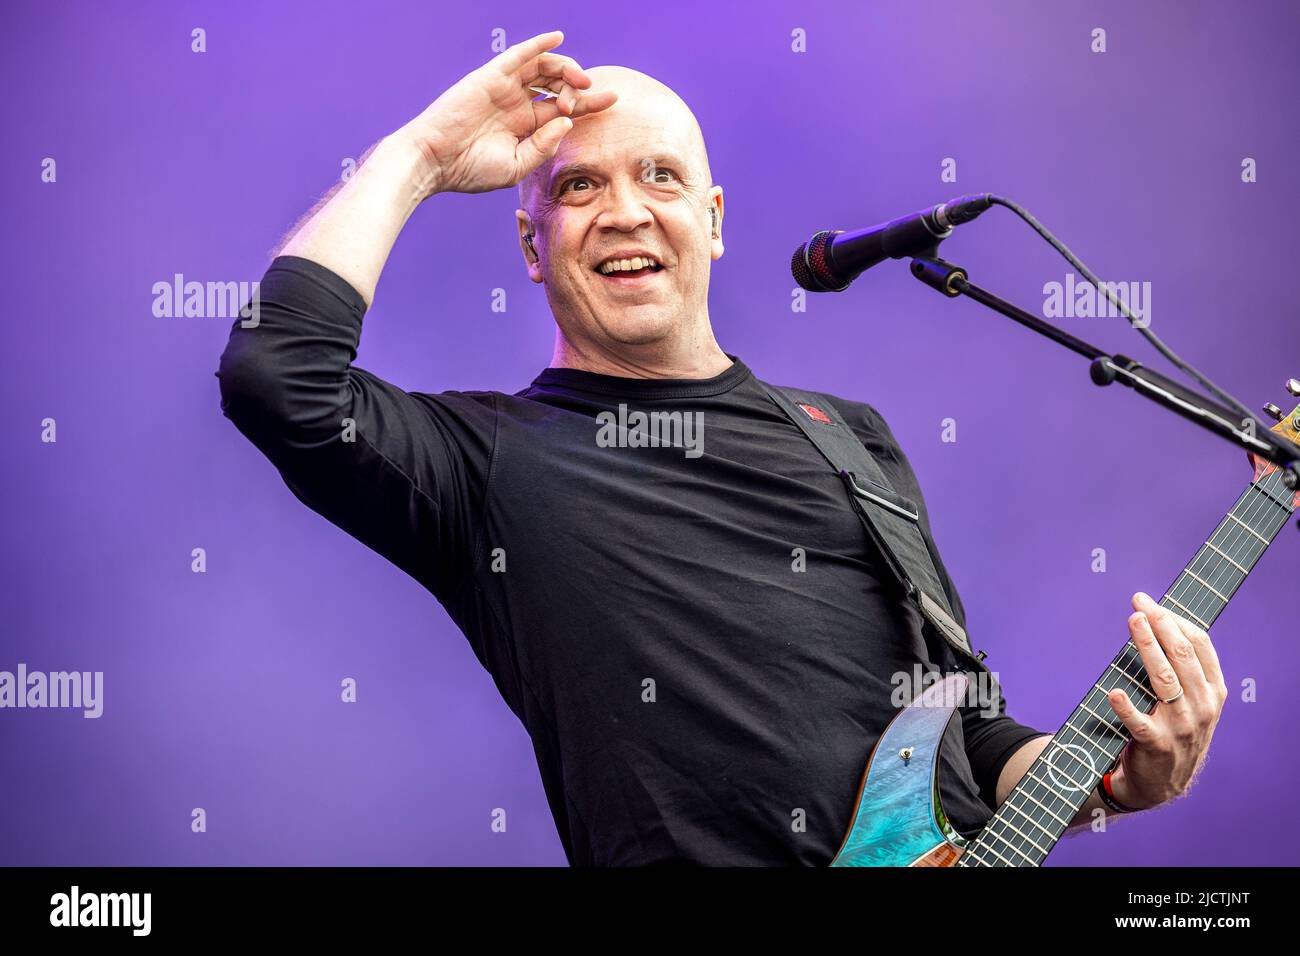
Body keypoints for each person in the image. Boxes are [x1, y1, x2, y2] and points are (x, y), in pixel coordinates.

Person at [216, 30, 1228, 866]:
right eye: (577, 188)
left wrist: (1115, 779)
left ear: (712, 222)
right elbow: (280, 378)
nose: (625, 208)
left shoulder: (847, 438)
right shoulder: (485, 464)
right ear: (530, 247)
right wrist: (423, 157)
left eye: (661, 175)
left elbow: (963, 736)